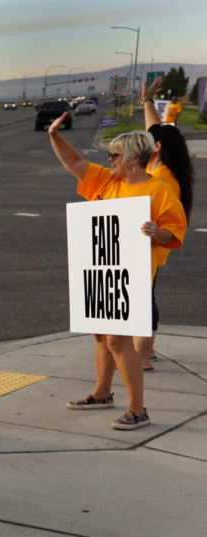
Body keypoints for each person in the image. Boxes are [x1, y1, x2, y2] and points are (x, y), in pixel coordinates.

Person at [47, 113, 187, 429]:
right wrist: (55, 135)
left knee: (117, 341)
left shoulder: (159, 191)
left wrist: (156, 232)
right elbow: (75, 163)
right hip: (103, 271)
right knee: (101, 335)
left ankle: (138, 409)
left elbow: (175, 232)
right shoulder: (108, 180)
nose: (109, 160)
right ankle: (102, 393)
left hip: (133, 276)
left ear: (134, 159)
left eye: (115, 155)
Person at [137, 76, 196, 370]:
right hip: (151, 246)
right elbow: (154, 129)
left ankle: (144, 357)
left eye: (149, 142)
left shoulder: (161, 180)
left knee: (143, 297)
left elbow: (165, 223)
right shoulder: (157, 166)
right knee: (146, 295)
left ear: (157, 147)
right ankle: (147, 352)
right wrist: (147, 100)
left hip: (152, 246)